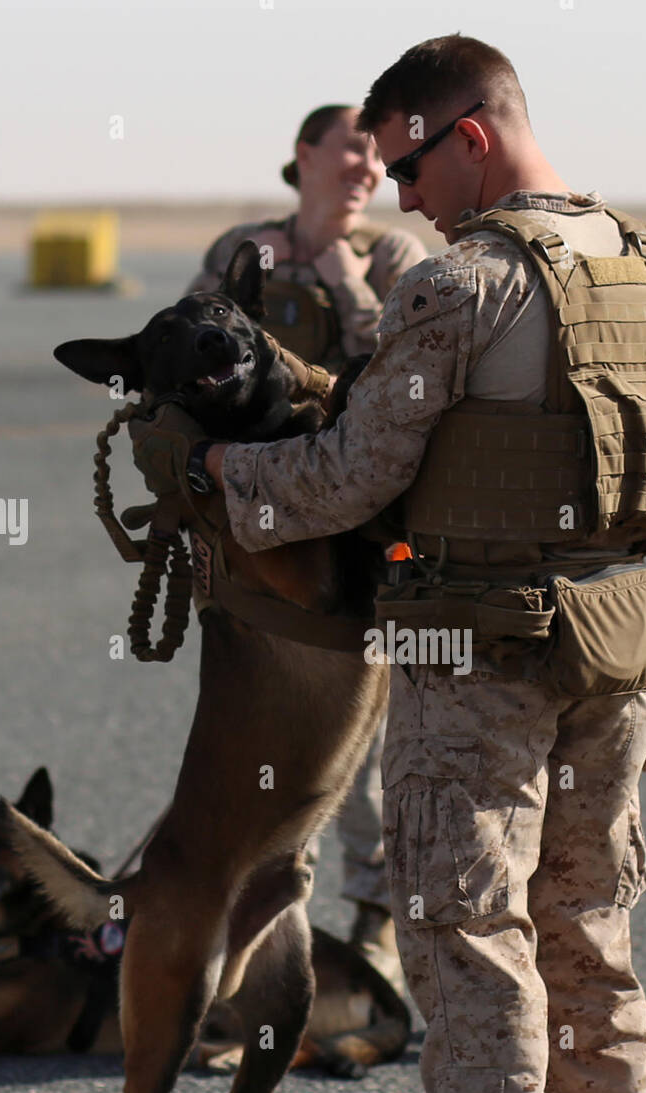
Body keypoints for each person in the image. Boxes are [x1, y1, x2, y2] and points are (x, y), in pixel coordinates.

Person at [134, 34, 646, 1093]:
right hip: (612, 647)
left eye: (409, 163)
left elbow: (345, 479)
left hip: (478, 658)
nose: (401, 195)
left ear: (472, 137)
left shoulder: (466, 283)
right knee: (586, 938)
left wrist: (224, 476)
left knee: (467, 940)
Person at [189, 106, 427, 987]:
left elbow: (408, 369)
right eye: (354, 148)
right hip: (255, 538)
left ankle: (374, 931)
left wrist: (340, 276)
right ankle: (260, 927)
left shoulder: (393, 259)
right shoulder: (239, 250)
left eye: (379, 153)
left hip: (362, 536)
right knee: (256, 738)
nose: (369, 166)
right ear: (306, 156)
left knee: (362, 748)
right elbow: (187, 354)